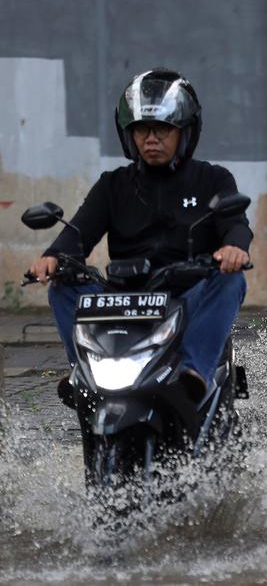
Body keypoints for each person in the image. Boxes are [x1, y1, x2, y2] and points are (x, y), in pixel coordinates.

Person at [27, 69, 253, 391]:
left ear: (185, 132)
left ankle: (194, 373)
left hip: (185, 295)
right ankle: (83, 374)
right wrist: (52, 257)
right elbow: (78, 232)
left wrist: (234, 248)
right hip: (122, 300)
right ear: (128, 135)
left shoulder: (213, 179)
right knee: (63, 284)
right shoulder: (112, 184)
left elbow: (236, 225)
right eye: (141, 130)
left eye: (162, 129)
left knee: (231, 280)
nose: (150, 138)